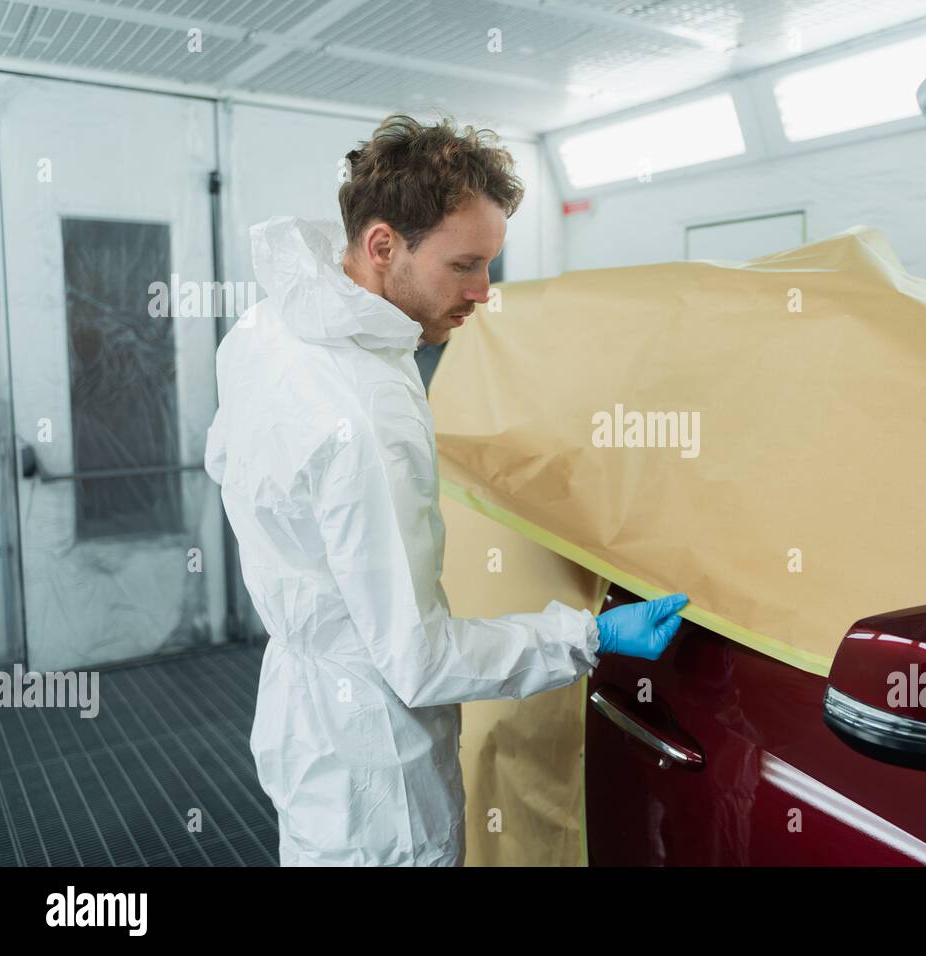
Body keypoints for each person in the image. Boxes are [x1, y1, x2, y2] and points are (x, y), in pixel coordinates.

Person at [203, 114, 688, 866]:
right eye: (465, 265)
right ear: (382, 246)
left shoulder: (270, 328)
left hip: (304, 719)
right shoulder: (365, 417)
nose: (484, 292)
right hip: (379, 774)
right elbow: (420, 663)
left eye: (490, 264)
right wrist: (584, 635)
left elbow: (225, 459)